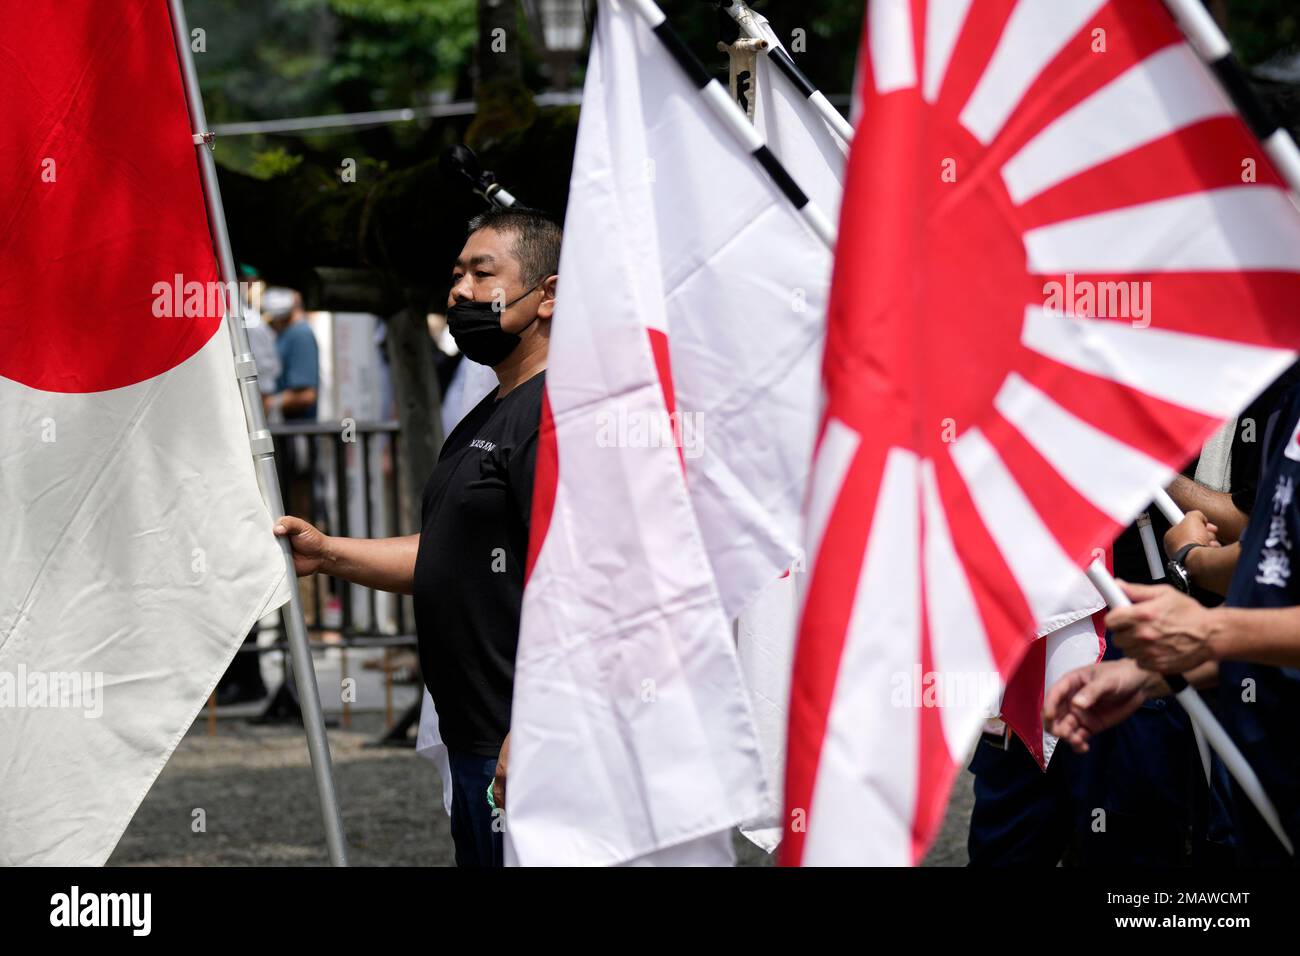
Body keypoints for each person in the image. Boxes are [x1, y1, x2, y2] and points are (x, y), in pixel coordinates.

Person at [273, 207, 559, 867]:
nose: (458, 290)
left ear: (549, 294)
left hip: (524, 741)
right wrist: (329, 553)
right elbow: (448, 554)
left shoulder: (553, 415)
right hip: (475, 737)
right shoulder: (488, 412)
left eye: (481, 272)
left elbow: (584, 583)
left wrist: (537, 727)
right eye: (456, 273)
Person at [1046, 382, 1300, 865]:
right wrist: (1152, 672)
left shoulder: (1273, 384)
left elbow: (1249, 534)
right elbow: (1274, 568)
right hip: (1265, 751)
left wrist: (1205, 620)